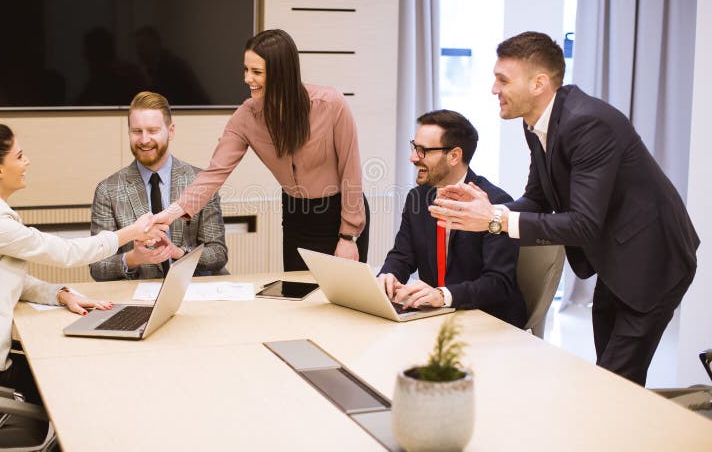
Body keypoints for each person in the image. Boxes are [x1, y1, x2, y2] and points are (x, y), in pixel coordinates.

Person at [431, 31, 699, 385]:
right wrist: (486, 209)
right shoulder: (535, 126)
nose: (493, 89)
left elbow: (583, 224)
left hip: (654, 258)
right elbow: (539, 199)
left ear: (539, 83)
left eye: (502, 79)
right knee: (612, 376)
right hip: (614, 258)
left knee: (616, 381)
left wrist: (495, 220)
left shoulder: (589, 124)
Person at [0, 124, 166, 403]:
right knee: (63, 384)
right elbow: (66, 253)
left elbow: (6, 278)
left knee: (62, 371)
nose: (27, 162)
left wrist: (60, 295)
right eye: (19, 156)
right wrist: (133, 231)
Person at [154, 29, 370, 271]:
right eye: (246, 70)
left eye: (257, 72)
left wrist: (348, 236)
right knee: (299, 298)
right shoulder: (246, 116)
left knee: (342, 301)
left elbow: (351, 171)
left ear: (281, 74)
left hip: (339, 214)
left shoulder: (330, 105)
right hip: (296, 214)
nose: (247, 78)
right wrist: (171, 213)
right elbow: (214, 173)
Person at [378, 110, 526, 327]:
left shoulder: (494, 204)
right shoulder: (418, 198)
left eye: (423, 151)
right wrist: (388, 276)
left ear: (454, 156)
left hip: (486, 319)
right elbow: (402, 256)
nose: (413, 158)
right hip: (434, 317)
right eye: (414, 147)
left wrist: (444, 295)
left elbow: (498, 283)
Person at [90, 91, 229, 280]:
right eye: (137, 131)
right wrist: (133, 258)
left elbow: (218, 253)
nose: (144, 140)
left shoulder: (200, 182)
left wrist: (176, 253)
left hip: (192, 290)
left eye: (153, 131)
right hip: (137, 296)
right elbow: (97, 267)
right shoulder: (107, 190)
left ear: (171, 132)